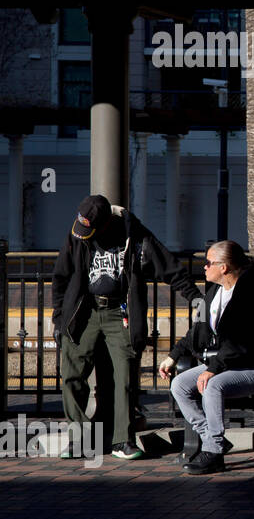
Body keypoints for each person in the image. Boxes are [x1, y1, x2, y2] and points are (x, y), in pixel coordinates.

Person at [52, 194, 202, 460]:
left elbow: (168, 267)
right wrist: (58, 318)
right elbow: (61, 276)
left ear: (106, 223)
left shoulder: (135, 235)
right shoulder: (78, 234)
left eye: (92, 231)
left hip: (119, 312)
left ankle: (123, 440)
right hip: (83, 312)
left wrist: (195, 297)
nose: (86, 235)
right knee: (72, 376)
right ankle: (80, 439)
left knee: (124, 378)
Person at [161, 241, 254, 475]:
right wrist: (174, 356)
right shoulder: (213, 294)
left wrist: (212, 369)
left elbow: (239, 343)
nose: (204, 267)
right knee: (180, 385)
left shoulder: (252, 295)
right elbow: (196, 331)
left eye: (208, 263)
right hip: (225, 365)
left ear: (223, 267)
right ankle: (212, 439)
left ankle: (213, 453)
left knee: (212, 385)